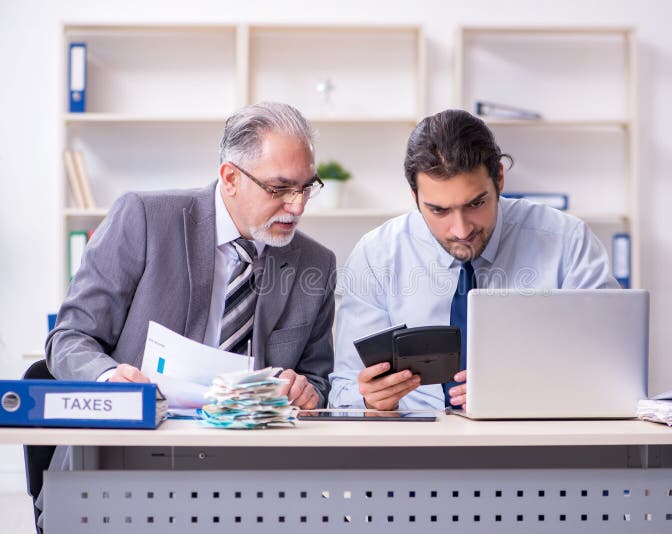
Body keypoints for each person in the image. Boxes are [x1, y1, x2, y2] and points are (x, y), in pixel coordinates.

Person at [46, 101, 336, 408]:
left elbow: (318, 380)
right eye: (280, 188)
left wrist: (307, 392)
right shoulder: (144, 220)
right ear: (230, 178)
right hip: (136, 441)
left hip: (253, 449)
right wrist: (107, 379)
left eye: (307, 187)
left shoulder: (315, 263)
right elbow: (68, 338)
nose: (298, 206)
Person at [329, 109, 619, 411]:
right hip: (415, 444)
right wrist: (368, 398)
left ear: (500, 180)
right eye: (439, 210)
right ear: (414, 197)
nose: (461, 229)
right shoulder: (377, 255)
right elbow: (344, 392)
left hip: (532, 439)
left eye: (476, 203)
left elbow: (611, 373)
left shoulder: (566, 242)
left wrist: (532, 392)